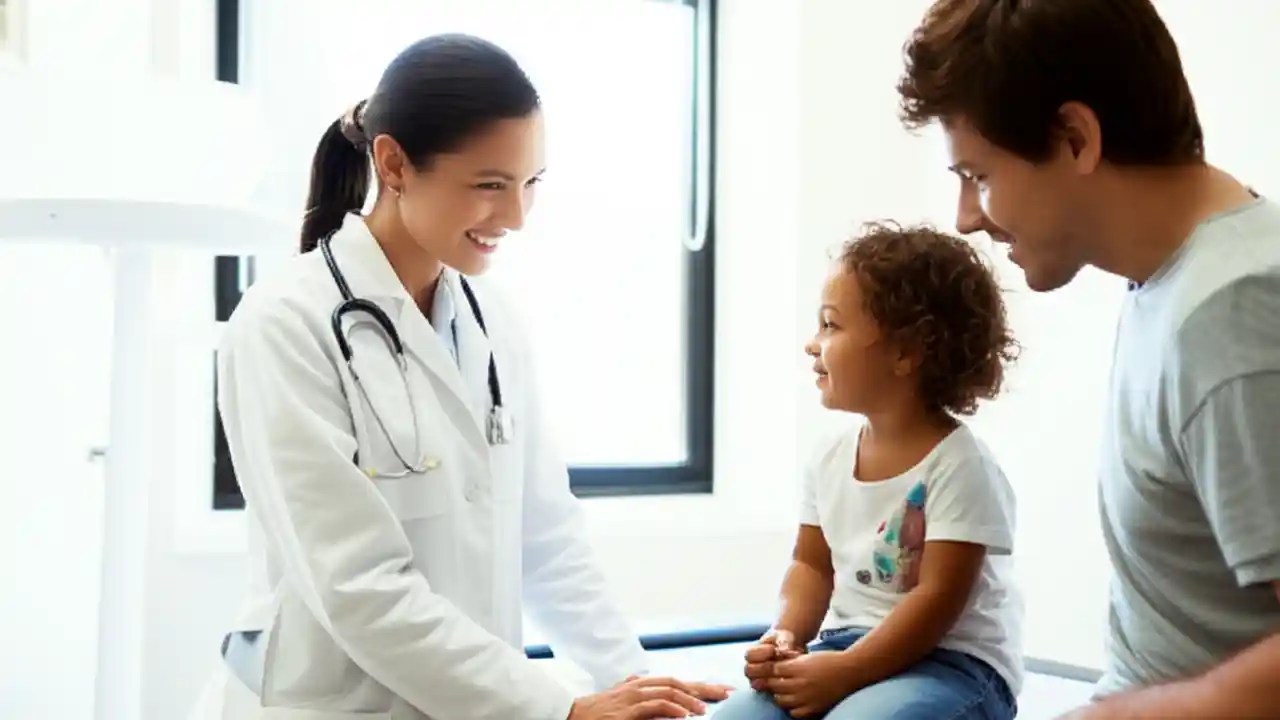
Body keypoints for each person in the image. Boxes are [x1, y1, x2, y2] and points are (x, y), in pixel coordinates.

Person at [189, 33, 729, 720]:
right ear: (394, 164)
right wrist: (562, 710)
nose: (517, 217)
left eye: (531, 184)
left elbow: (548, 541)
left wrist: (642, 686)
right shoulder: (284, 323)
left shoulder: (492, 319)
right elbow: (359, 587)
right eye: (489, 186)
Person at [895, 1, 1280, 718]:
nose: (966, 217)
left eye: (977, 174)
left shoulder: (1233, 311)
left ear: (1075, 138)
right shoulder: (1176, 283)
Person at [713, 223, 1023, 719]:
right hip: (845, 647)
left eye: (831, 326)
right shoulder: (829, 457)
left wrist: (849, 673)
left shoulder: (962, 466)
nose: (812, 345)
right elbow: (811, 566)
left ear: (905, 351)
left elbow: (939, 599)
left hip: (952, 665)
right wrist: (787, 634)